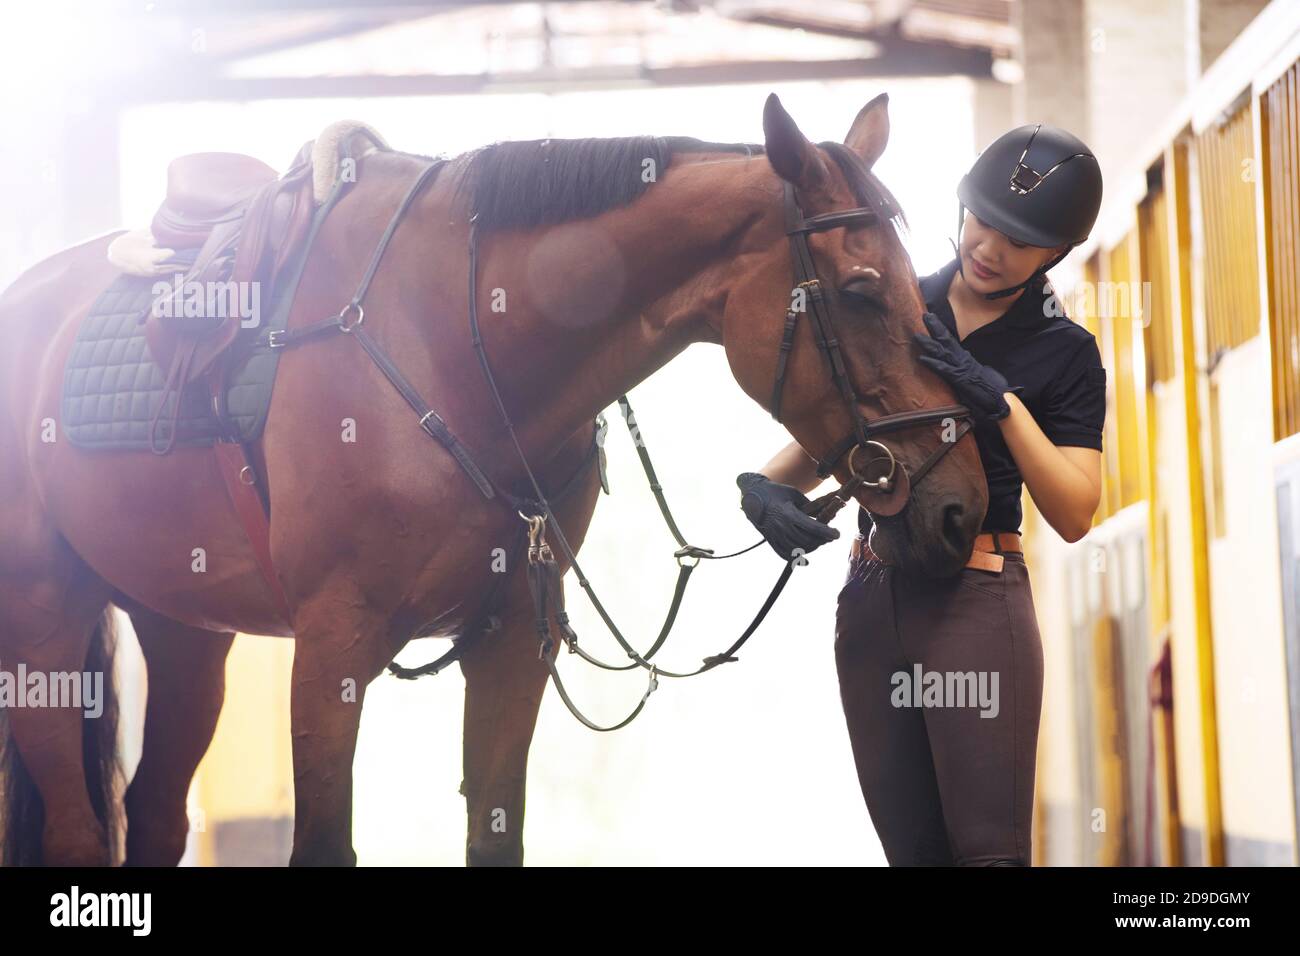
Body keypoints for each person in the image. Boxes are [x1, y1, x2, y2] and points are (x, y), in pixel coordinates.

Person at [737, 124, 1107, 865]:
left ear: (1056, 255)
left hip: (976, 600)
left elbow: (1073, 510)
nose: (990, 248)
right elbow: (824, 443)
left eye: (1019, 241)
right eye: (983, 221)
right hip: (875, 594)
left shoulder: (1066, 352)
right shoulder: (897, 304)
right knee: (910, 855)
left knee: (987, 855)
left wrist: (1000, 403)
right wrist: (760, 488)